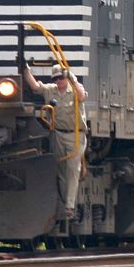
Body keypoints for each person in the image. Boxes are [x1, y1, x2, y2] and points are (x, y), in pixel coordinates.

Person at [23, 63, 88, 220]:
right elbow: (35, 87)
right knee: (60, 170)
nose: (58, 81)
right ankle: (65, 202)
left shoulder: (75, 90)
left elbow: (82, 97)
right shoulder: (50, 90)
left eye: (61, 77)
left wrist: (73, 78)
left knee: (73, 169)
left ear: (67, 77)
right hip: (58, 134)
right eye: (55, 78)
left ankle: (70, 206)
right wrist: (25, 70)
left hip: (75, 135)